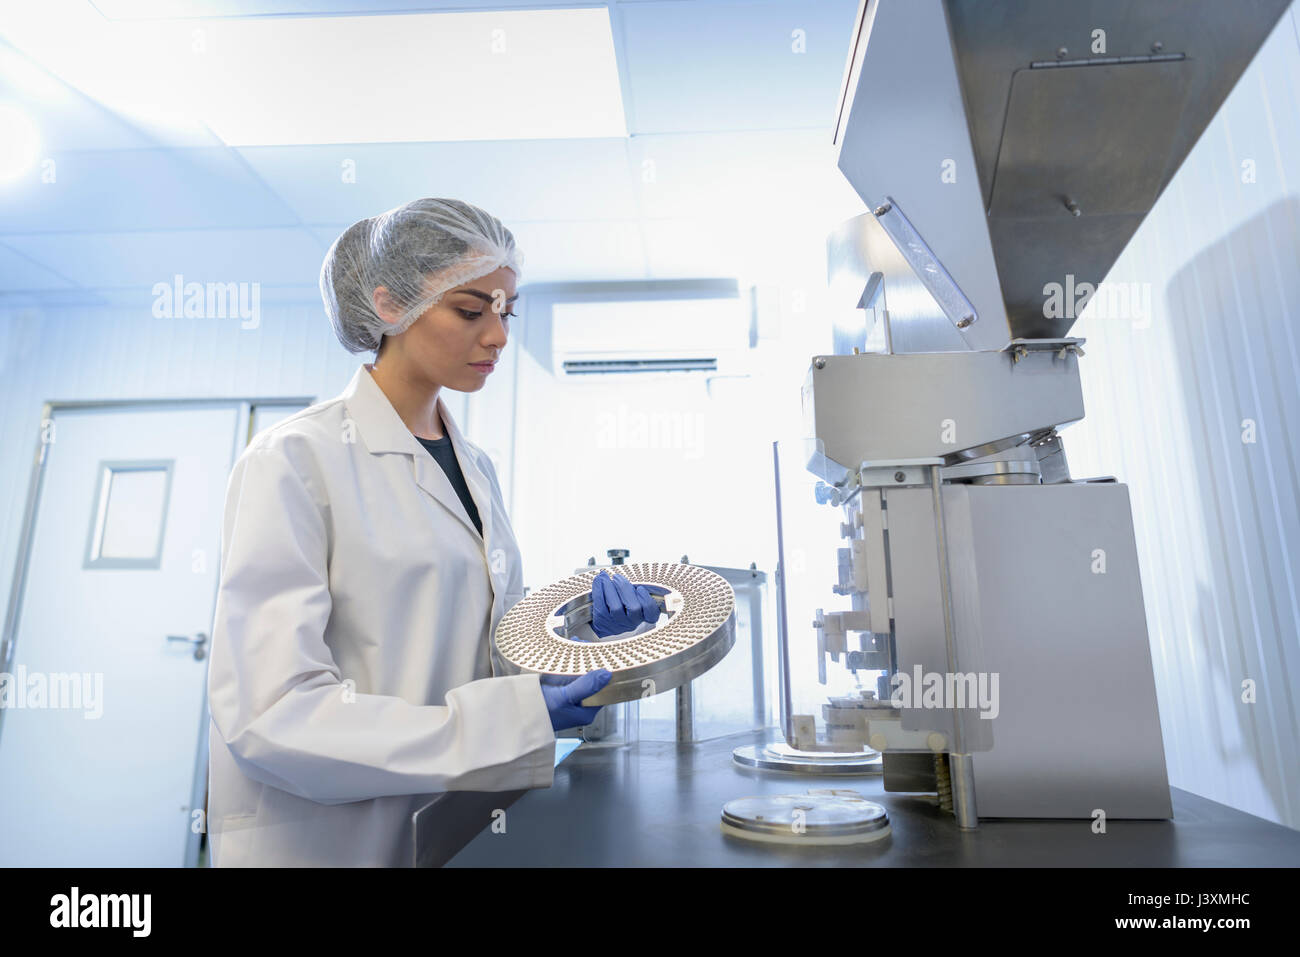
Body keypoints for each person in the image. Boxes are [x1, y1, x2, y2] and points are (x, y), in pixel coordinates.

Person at [205, 198, 659, 867]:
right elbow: (272, 717)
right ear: (389, 305)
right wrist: (511, 718)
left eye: (506, 311)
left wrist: (580, 643)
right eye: (472, 310)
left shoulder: (476, 468)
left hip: (456, 830)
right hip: (332, 844)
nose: (498, 336)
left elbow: (479, 652)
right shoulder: (295, 460)